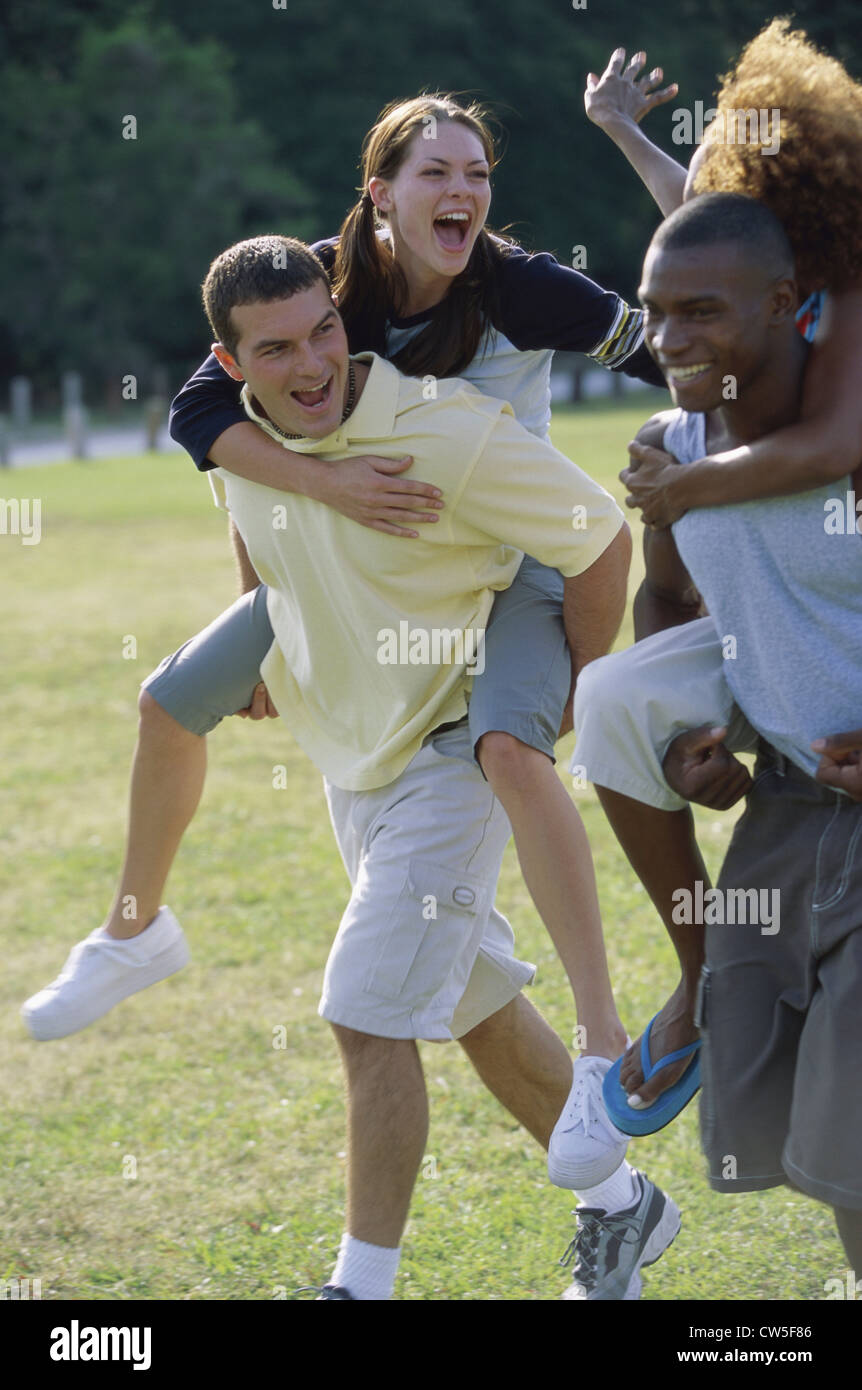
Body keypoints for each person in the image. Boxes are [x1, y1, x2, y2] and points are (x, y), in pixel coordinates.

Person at [31, 233, 684, 1300]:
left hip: (451, 755)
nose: (312, 364)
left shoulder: (438, 429)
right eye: (278, 348)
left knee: (364, 1011)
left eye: (324, 330)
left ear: (347, 318)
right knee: (470, 1005)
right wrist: (268, 626)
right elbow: (258, 531)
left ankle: (357, 1286)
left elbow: (594, 535)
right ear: (231, 364)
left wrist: (555, 691)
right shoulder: (238, 436)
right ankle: (622, 1208)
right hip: (353, 757)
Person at [572, 22, 862, 1111]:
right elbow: (690, 220)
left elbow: (831, 444)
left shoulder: (844, 293)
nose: (672, 332)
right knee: (612, 698)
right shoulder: (743, 255)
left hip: (810, 550)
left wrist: (684, 487)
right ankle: (696, 974)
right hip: (757, 621)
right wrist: (615, 131)